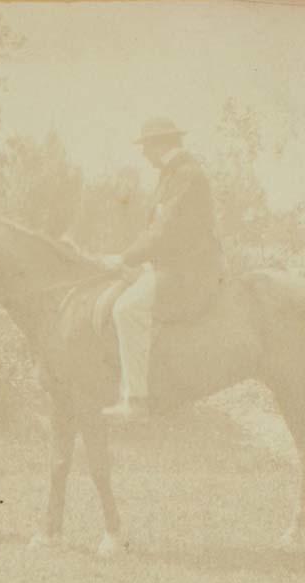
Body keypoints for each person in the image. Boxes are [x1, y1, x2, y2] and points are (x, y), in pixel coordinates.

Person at [100, 117, 224, 422]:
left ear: (159, 145)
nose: (143, 153)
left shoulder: (185, 175)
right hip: (174, 266)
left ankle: (136, 401)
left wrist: (126, 258)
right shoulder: (173, 175)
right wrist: (138, 261)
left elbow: (164, 230)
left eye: (146, 146)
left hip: (189, 271)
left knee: (126, 309)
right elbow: (162, 232)